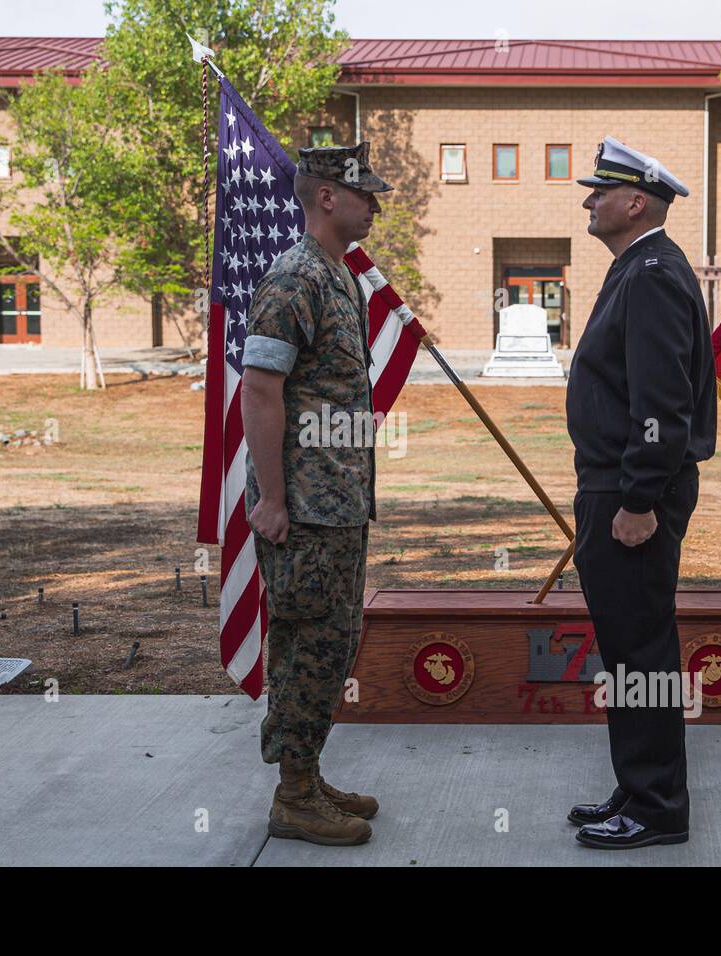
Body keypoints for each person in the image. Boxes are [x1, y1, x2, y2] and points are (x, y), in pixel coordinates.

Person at [564, 138, 717, 849]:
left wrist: (636, 499)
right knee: (628, 650)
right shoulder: (640, 267)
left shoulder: (651, 273)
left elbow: (662, 401)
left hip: (631, 494)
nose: (589, 201)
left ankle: (656, 808)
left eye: (600, 192)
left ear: (636, 203)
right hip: (617, 486)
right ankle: (636, 786)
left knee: (642, 653)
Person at [241, 142, 391, 846]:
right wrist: (273, 501)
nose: (376, 204)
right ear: (328, 195)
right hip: (302, 506)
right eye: (366, 192)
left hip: (336, 502)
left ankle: (308, 770)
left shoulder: (339, 276)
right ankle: (293, 794)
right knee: (306, 644)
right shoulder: (295, 277)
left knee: (334, 642)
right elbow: (261, 390)